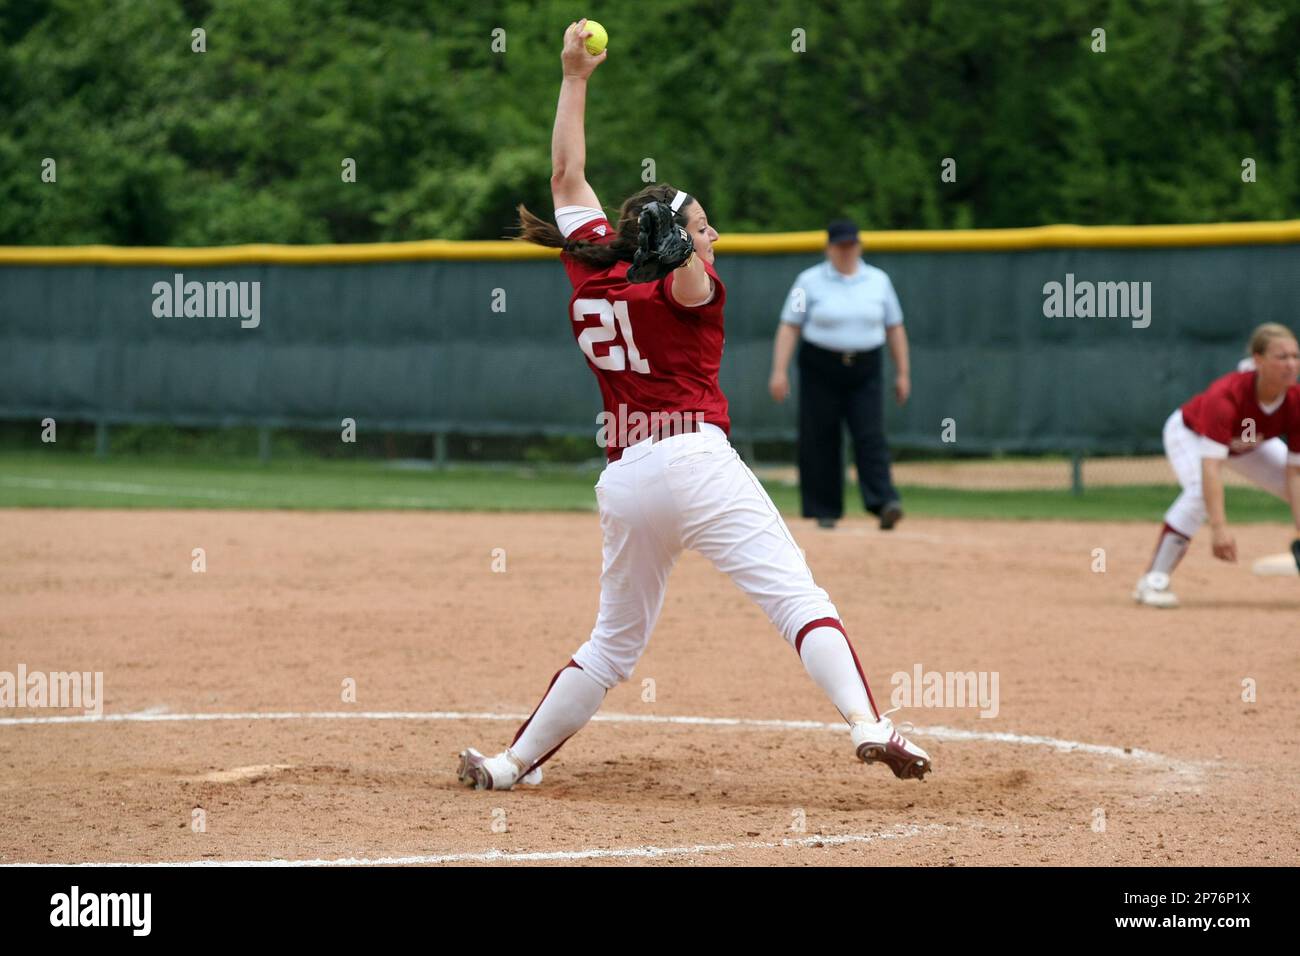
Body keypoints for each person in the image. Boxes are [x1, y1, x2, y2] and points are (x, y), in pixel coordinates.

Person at [455, 19, 931, 790]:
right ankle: (869, 724)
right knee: (796, 598)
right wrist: (681, 250)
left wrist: (574, 77)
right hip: (696, 459)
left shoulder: (596, 273)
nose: (717, 236)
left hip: (627, 478)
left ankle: (511, 765)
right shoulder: (688, 284)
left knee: (611, 646)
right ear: (674, 239)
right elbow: (686, 285)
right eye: (705, 227)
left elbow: (566, 178)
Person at [1134, 323, 1300, 608]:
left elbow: (1295, 472)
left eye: (1295, 356)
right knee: (1199, 491)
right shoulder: (1227, 395)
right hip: (1191, 434)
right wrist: (1219, 528)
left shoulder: (1295, 401)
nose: (1291, 364)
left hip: (1249, 442)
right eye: (1281, 356)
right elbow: (1211, 467)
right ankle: (1153, 579)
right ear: (1258, 360)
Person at [769, 219, 910, 530]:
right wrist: (779, 371)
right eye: (840, 245)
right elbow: (790, 325)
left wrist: (903, 372)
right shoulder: (808, 281)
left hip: (866, 365)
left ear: (859, 246)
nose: (847, 251)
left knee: (869, 434)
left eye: (851, 245)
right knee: (820, 435)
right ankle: (825, 509)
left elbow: (894, 326)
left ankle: (884, 501)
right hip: (821, 365)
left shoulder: (878, 280)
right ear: (829, 248)